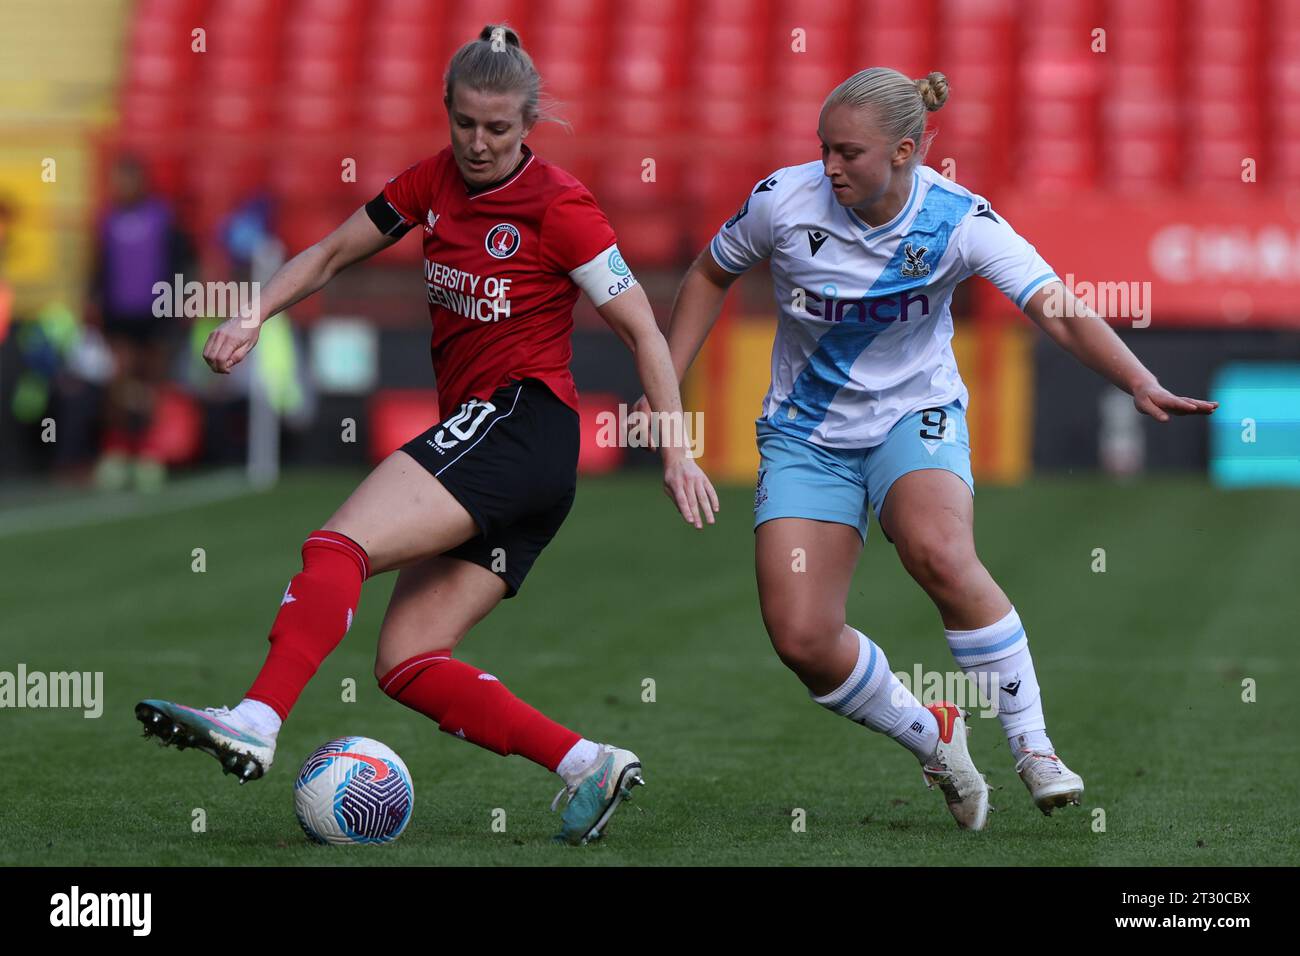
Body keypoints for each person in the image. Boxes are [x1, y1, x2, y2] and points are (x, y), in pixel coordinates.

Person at [136, 25, 718, 846]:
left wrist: (676, 448)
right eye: (465, 124)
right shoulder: (429, 182)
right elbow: (334, 252)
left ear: (529, 125)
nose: (479, 144)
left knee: (337, 546)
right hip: (514, 457)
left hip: (520, 423)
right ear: (446, 112)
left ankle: (258, 718)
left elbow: (642, 331)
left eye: (499, 129)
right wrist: (254, 309)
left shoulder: (561, 206)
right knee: (407, 661)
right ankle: (587, 761)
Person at [647, 68, 1217, 829]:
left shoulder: (959, 221)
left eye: (848, 152)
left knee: (939, 550)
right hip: (803, 436)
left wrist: (1138, 380)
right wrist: (666, 399)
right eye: (824, 149)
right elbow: (709, 273)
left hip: (914, 417)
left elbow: (1057, 308)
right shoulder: (781, 202)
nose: (830, 166)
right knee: (803, 637)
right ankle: (933, 738)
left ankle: (1035, 748)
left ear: (906, 151)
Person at [89, 154, 194, 492]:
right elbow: (100, 267)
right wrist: (93, 302)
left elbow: (181, 262)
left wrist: (180, 305)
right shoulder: (108, 220)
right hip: (119, 315)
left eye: (126, 178)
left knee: (151, 385)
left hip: (156, 313)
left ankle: (150, 454)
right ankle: (118, 451)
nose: (120, 186)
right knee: (119, 384)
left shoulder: (162, 218)